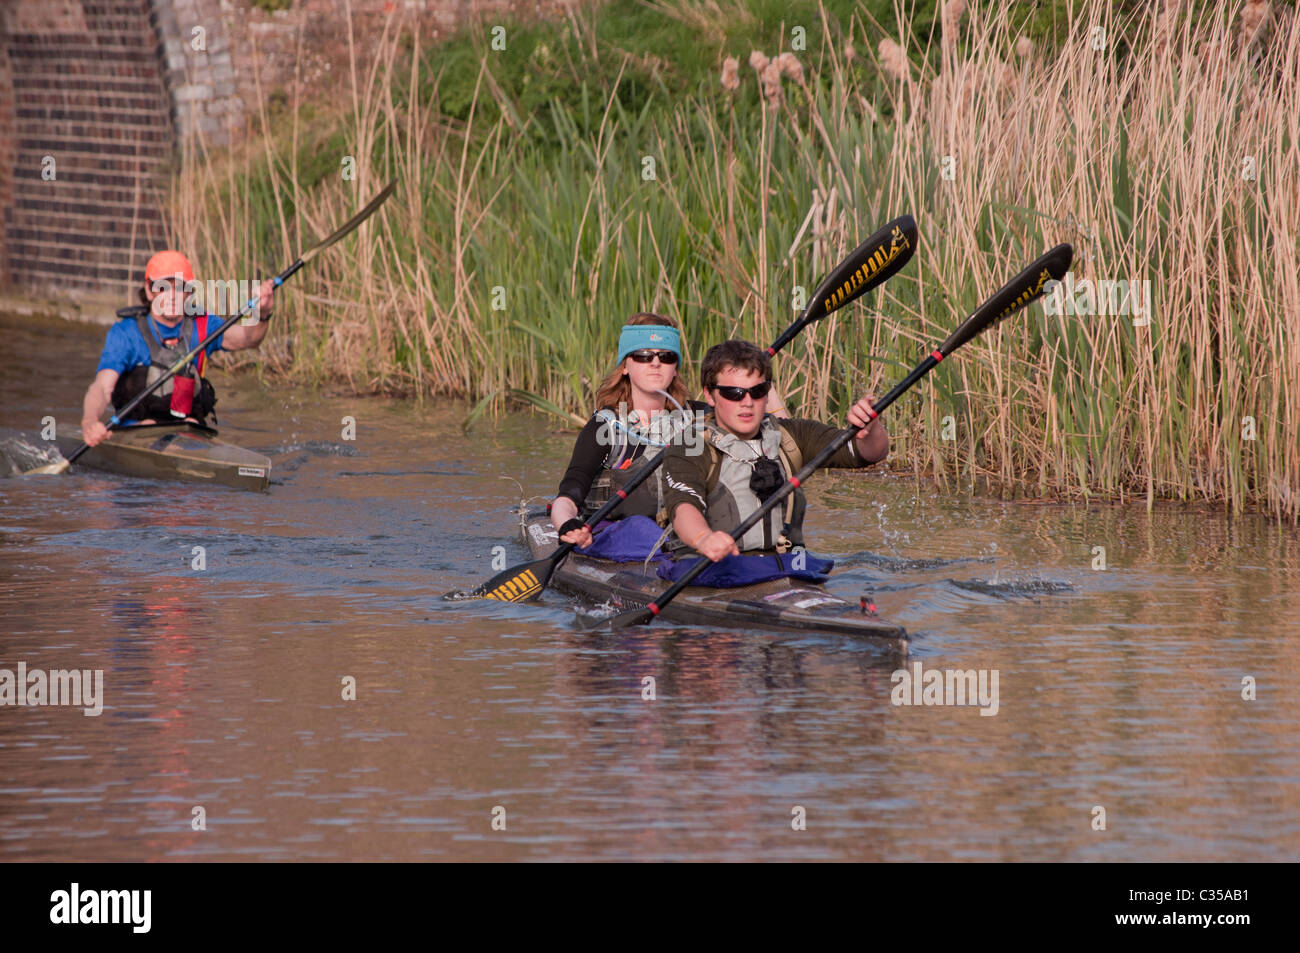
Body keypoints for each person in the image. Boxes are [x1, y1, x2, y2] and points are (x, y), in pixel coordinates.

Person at [551, 314, 787, 549]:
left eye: (666, 357)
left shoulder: (701, 417)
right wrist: (567, 525)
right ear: (625, 366)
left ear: (675, 368)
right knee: (641, 530)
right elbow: (569, 493)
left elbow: (782, 438)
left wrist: (760, 382)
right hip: (618, 539)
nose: (655, 363)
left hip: (682, 539)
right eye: (643, 355)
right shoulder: (605, 427)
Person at [661, 339, 888, 564]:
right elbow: (683, 508)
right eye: (734, 393)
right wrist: (704, 538)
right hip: (713, 570)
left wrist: (871, 428)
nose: (747, 402)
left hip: (782, 568)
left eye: (758, 391)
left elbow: (867, 453)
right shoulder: (690, 447)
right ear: (710, 395)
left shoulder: (792, 435)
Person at [80, 251, 275, 447]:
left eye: (180, 288)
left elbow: (249, 339)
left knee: (189, 425)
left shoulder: (203, 325)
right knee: (149, 426)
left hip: (187, 429)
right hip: (138, 429)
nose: (172, 296)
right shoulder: (126, 333)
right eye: (163, 287)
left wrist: (263, 312)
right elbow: (102, 387)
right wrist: (90, 422)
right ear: (149, 291)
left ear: (189, 293)